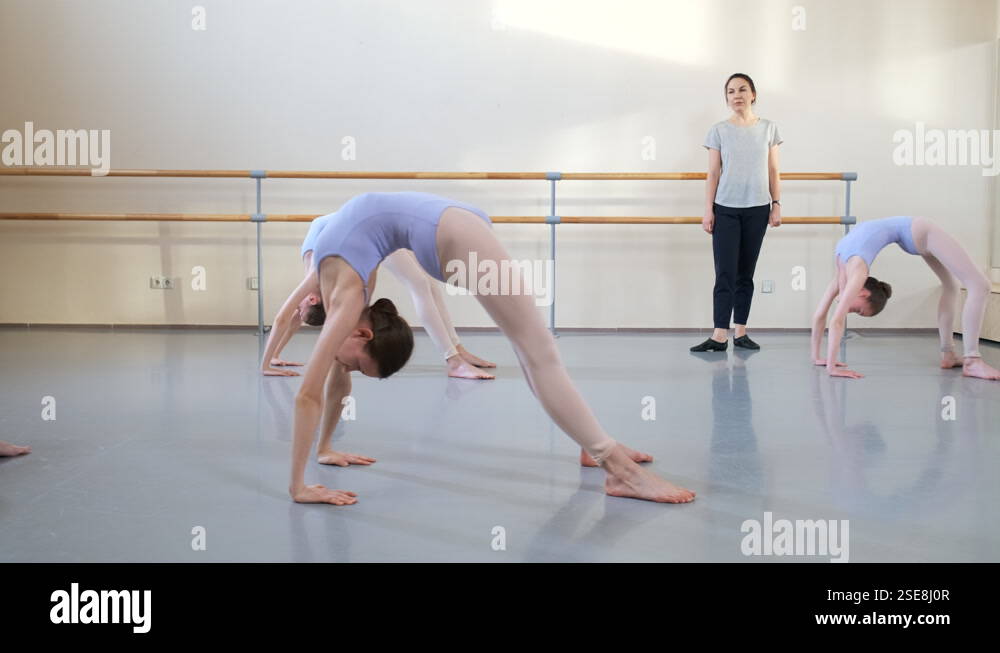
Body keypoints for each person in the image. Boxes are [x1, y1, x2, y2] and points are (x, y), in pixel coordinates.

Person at [285, 191, 696, 505]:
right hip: (448, 226)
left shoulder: (348, 300)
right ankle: (597, 450)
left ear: (363, 336)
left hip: (453, 236)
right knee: (533, 353)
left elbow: (308, 393)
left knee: (538, 354)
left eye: (358, 368)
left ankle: (617, 469)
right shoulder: (338, 285)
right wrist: (324, 449)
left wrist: (298, 486)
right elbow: (334, 379)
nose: (348, 371)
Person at [261, 212, 496, 380]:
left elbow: (286, 317)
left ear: (312, 300)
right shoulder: (318, 277)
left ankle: (457, 352)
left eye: (301, 312)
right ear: (313, 300)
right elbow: (290, 317)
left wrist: (268, 362)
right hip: (370, 229)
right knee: (421, 284)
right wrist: (273, 358)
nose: (298, 313)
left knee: (425, 284)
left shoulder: (316, 274)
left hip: (368, 226)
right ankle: (454, 359)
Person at [811, 216, 999, 380]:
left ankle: (962, 358)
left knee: (974, 286)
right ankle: (963, 358)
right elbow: (821, 314)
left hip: (919, 229)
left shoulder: (855, 271)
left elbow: (834, 320)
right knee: (965, 286)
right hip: (911, 234)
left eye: (859, 310)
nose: (853, 312)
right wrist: (818, 357)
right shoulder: (844, 269)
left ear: (863, 293)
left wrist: (831, 366)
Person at [692, 72, 783, 353]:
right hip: (726, 210)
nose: (737, 95)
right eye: (731, 92)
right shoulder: (718, 130)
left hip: (757, 209)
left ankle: (741, 332)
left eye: (742, 90)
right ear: (727, 98)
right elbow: (713, 172)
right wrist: (708, 210)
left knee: (746, 273)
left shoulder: (768, 128)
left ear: (753, 94)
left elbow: (773, 170)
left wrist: (776, 204)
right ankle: (720, 334)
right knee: (725, 273)